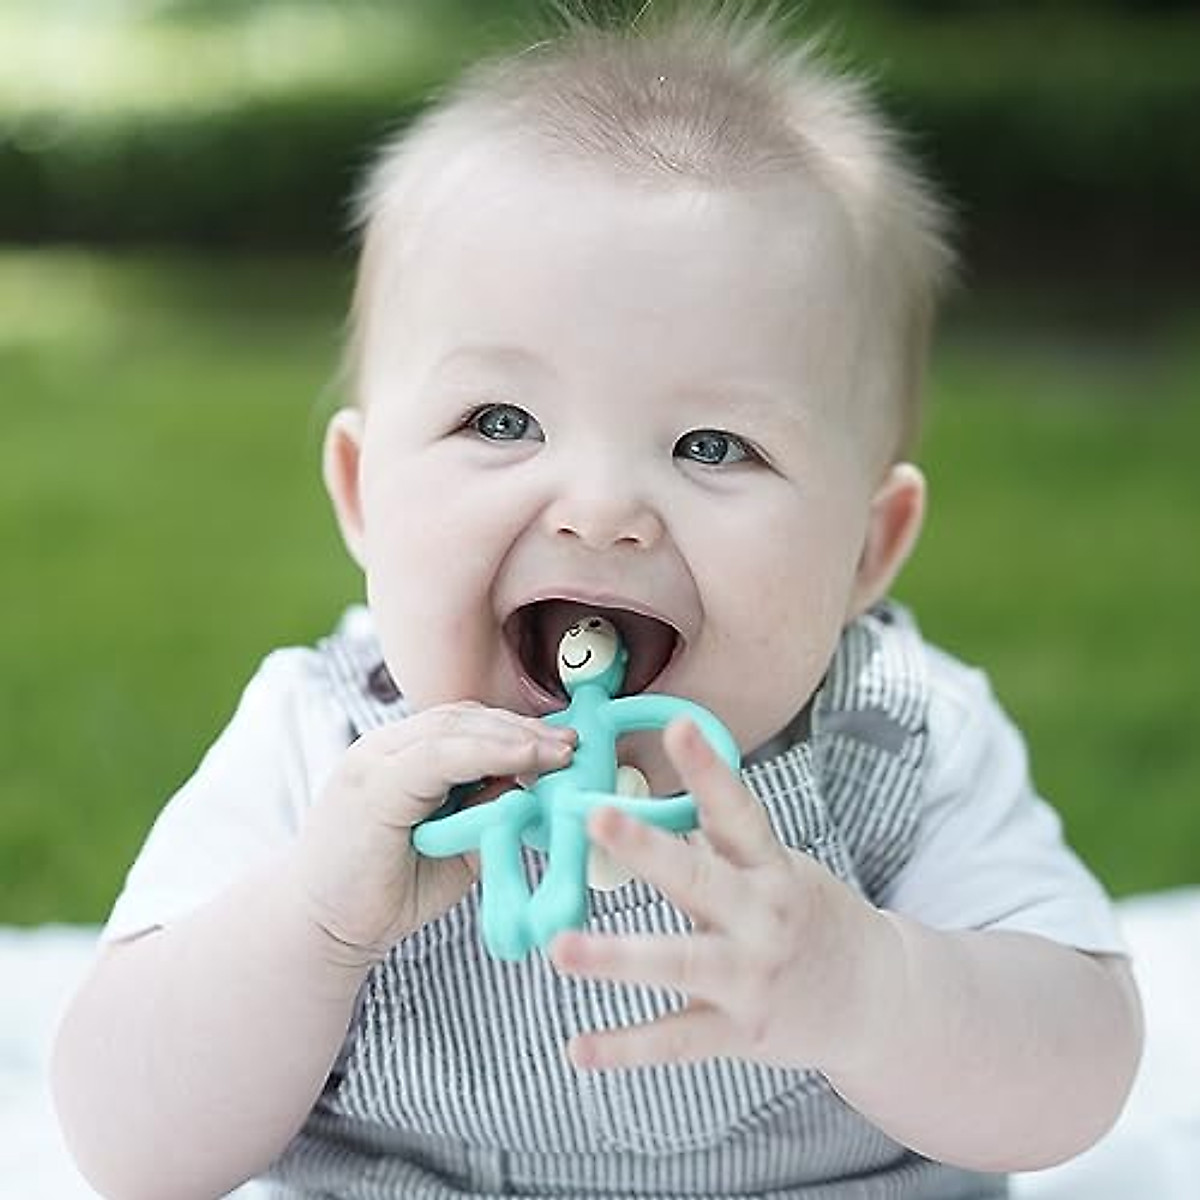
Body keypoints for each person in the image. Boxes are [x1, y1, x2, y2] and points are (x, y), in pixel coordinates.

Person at [51, 6, 1142, 1198]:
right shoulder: (317, 751)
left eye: (714, 444)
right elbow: (128, 1145)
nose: (602, 510)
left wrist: (869, 988)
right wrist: (311, 924)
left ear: (867, 550)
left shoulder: (901, 740)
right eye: (501, 421)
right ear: (363, 494)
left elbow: (1081, 1071)